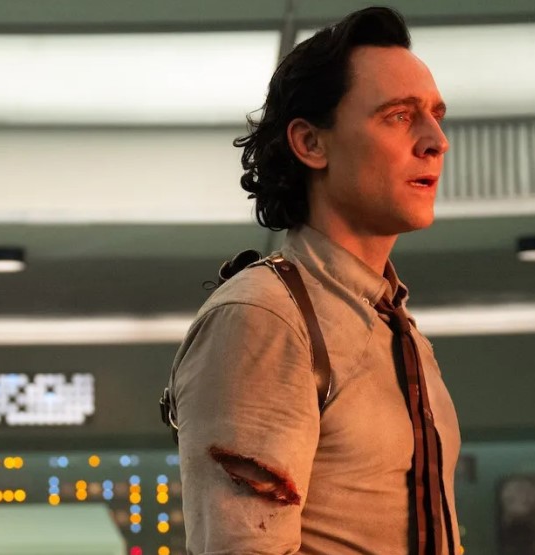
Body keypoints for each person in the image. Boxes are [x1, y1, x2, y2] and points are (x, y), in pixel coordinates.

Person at [165, 6, 461, 554]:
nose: (435, 140)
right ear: (310, 143)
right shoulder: (264, 317)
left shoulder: (397, 328)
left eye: (436, 116)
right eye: (399, 116)